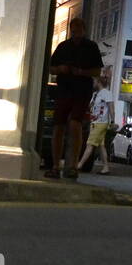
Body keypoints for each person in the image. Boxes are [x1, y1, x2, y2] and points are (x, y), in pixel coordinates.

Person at [45, 17, 103, 180]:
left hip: (80, 91)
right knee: (59, 127)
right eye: (74, 30)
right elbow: (51, 68)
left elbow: (97, 71)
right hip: (64, 90)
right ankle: (57, 165)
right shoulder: (63, 47)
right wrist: (61, 69)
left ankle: (71, 165)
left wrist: (81, 72)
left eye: (78, 30)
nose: (76, 33)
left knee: (75, 124)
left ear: (83, 30)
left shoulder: (91, 47)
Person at [78, 73, 114, 175]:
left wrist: (113, 121)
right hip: (95, 122)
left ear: (98, 82)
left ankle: (80, 164)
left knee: (90, 144)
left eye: (94, 81)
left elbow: (111, 107)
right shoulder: (95, 94)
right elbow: (91, 106)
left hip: (100, 122)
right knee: (101, 146)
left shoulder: (106, 93)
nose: (92, 83)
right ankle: (106, 167)